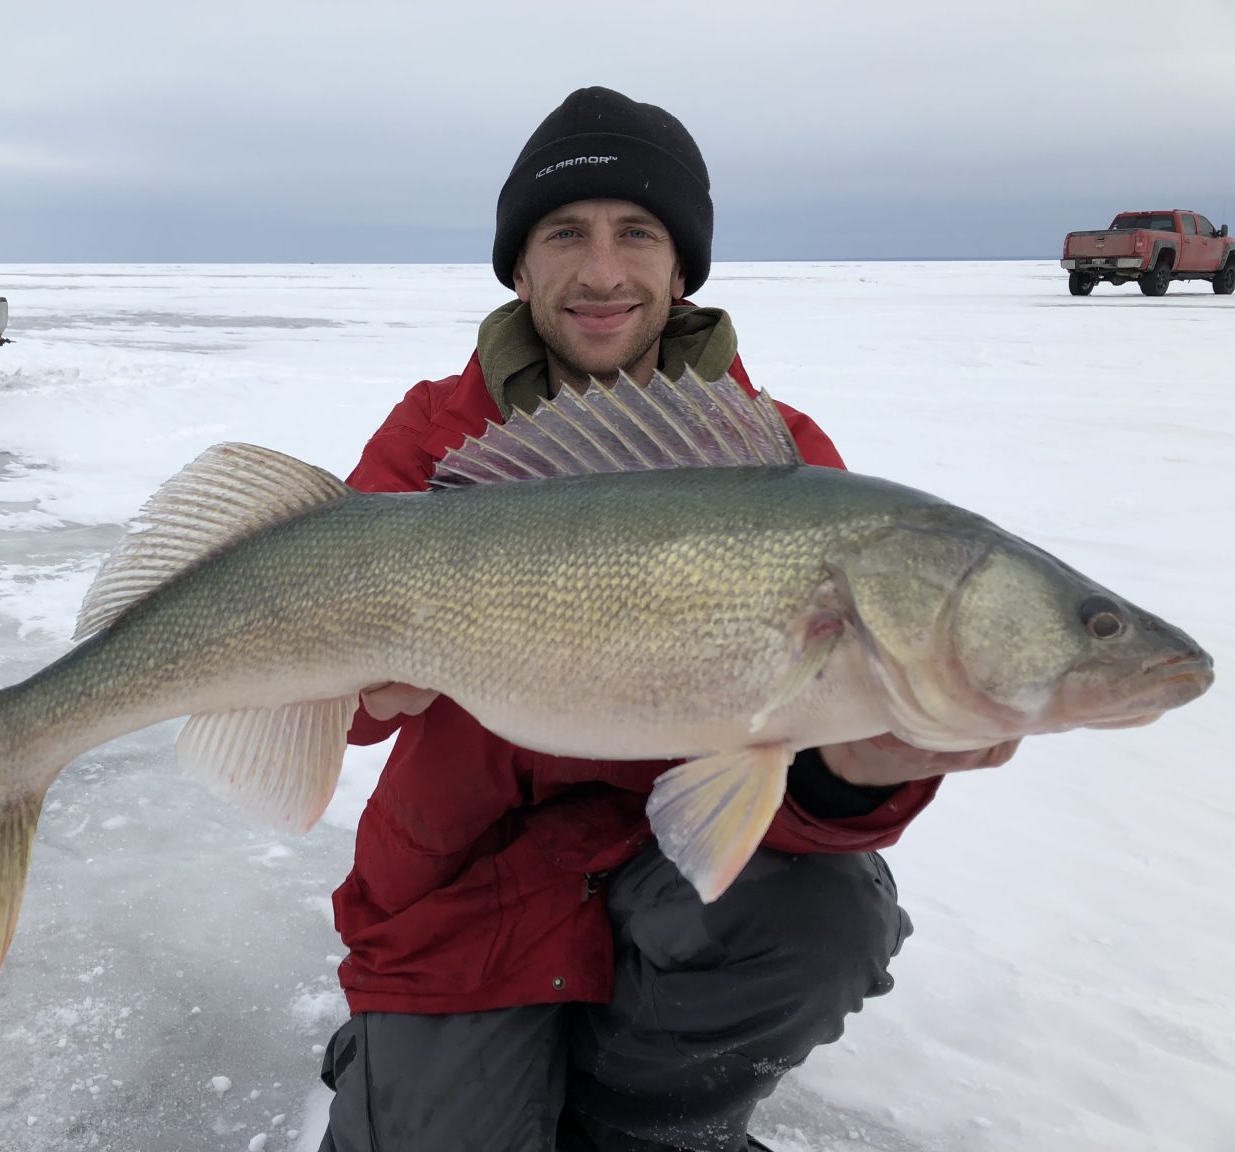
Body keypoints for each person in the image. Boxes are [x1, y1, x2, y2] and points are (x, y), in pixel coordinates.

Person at [317, 86, 1018, 1152]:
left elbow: (796, 803)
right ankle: (406, 1060)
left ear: (681, 266)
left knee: (825, 919)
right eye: (565, 234)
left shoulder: (780, 463)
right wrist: (358, 687)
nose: (602, 273)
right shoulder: (435, 436)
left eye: (637, 233)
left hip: (674, 873)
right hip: (463, 885)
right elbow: (334, 710)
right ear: (518, 264)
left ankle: (638, 1122)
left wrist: (851, 770)